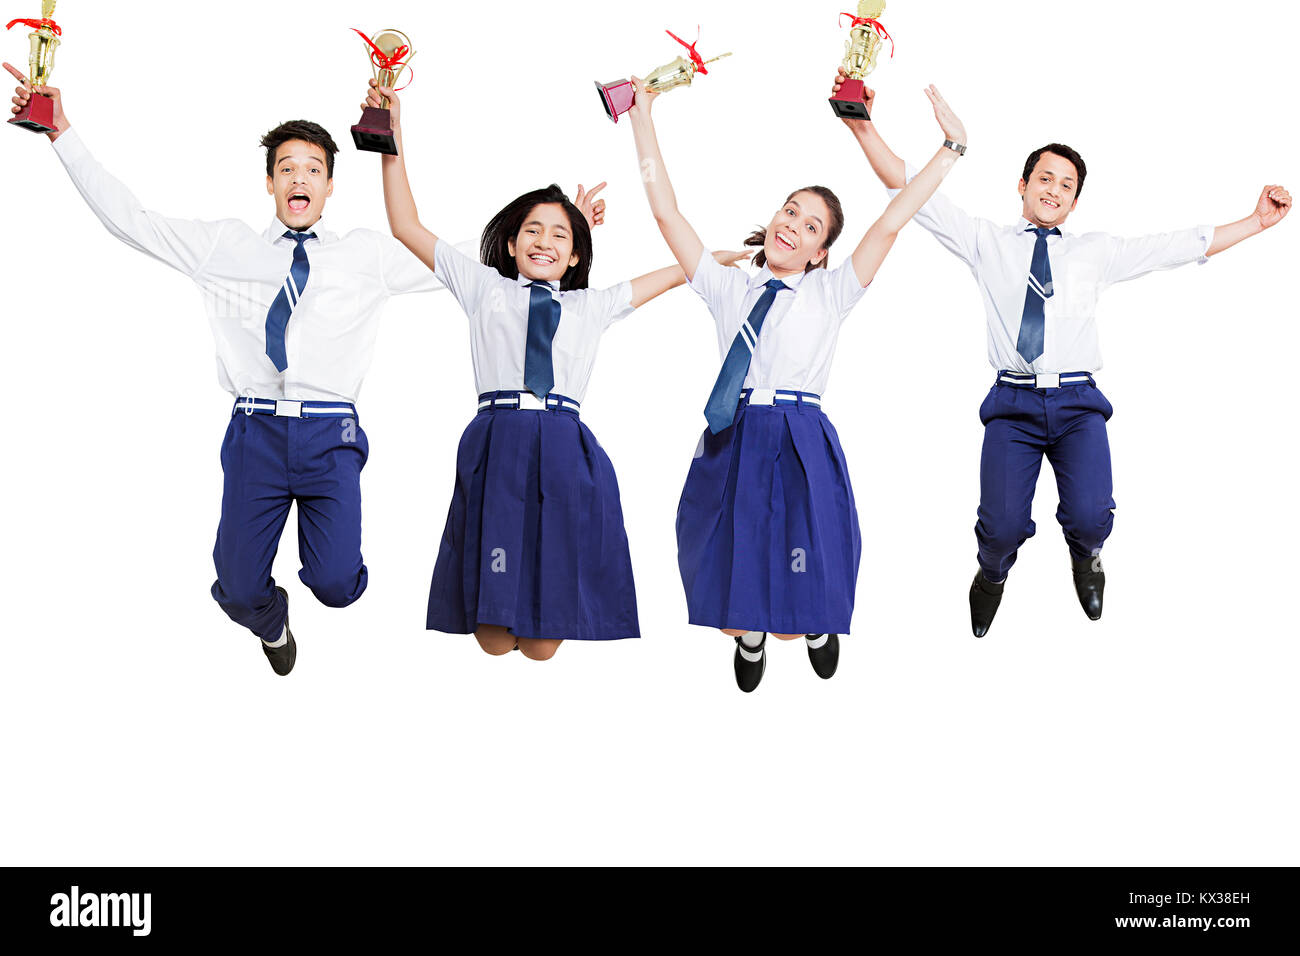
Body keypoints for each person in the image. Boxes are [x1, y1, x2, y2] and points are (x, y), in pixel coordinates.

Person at [5, 62, 607, 676]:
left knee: (340, 584)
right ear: (270, 182)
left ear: (329, 186)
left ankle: (335, 574)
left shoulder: (367, 257)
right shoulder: (224, 247)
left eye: (313, 170)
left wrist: (564, 229)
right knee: (238, 588)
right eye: (287, 168)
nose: (300, 178)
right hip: (255, 432)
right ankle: (271, 622)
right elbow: (128, 219)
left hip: (331, 436)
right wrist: (62, 133)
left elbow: (469, 268)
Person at [834, 69, 1292, 637]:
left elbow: (1178, 246)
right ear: (1022, 185)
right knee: (999, 526)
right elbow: (909, 188)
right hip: (1013, 404)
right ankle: (992, 573)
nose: (1053, 190)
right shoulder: (986, 241)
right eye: (1044, 178)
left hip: (1078, 404)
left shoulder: (1096, 252)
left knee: (1090, 515)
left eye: (1066, 185)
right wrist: (861, 125)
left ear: (1074, 203)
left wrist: (1257, 222)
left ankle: (1086, 556)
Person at [362, 80, 749, 662]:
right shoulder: (483, 287)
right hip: (498, 437)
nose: (544, 241)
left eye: (560, 234)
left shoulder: (589, 306)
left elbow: (663, 278)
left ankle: (545, 600)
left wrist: (707, 262)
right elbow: (406, 225)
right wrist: (391, 136)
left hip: (564, 445)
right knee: (493, 637)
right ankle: (496, 597)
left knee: (542, 646)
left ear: (575, 256)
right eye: (533, 231)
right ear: (513, 244)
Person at [625, 73, 969, 691]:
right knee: (732, 543)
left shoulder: (832, 293)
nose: (794, 226)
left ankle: (814, 624)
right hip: (738, 429)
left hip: (800, 428)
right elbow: (664, 211)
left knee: (808, 542)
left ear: (819, 253)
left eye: (813, 227)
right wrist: (642, 114)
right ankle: (750, 634)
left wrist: (950, 151)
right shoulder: (729, 286)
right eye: (791, 211)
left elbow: (891, 222)